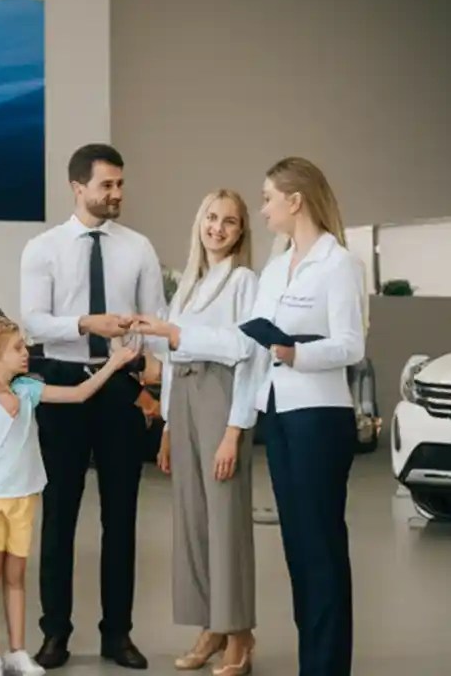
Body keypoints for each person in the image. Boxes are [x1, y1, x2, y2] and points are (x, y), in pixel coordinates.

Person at [19, 143, 166, 670]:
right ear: (78, 188)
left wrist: (149, 374)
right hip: (62, 385)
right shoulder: (44, 248)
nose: (116, 194)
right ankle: (54, 634)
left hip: (122, 389)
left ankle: (117, 634)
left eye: (120, 184)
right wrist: (87, 324)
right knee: (59, 514)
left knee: (121, 516)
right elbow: (34, 322)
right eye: (107, 185)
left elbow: (157, 320)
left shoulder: (139, 248)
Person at [0, 316, 137, 676]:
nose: (27, 354)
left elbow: (80, 394)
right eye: (17, 349)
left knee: (16, 579)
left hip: (24, 501)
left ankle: (18, 650)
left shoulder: (28, 390)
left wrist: (115, 364)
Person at [242, 157, 364, 675]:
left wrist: (295, 352)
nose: (263, 208)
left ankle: (327, 667)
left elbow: (352, 345)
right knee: (296, 547)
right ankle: (310, 662)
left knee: (321, 548)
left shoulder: (339, 264)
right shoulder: (274, 267)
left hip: (320, 417)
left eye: (269, 197)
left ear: (296, 201)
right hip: (281, 414)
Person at [133, 189, 260, 674]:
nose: (218, 228)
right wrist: (166, 425)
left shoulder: (244, 281)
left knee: (226, 520)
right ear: (199, 222)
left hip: (220, 397)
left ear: (241, 231)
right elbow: (170, 360)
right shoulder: (188, 282)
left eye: (230, 221)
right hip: (184, 401)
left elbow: (247, 352)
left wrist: (234, 431)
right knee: (192, 520)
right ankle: (211, 624)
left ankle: (240, 634)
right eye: (211, 217)